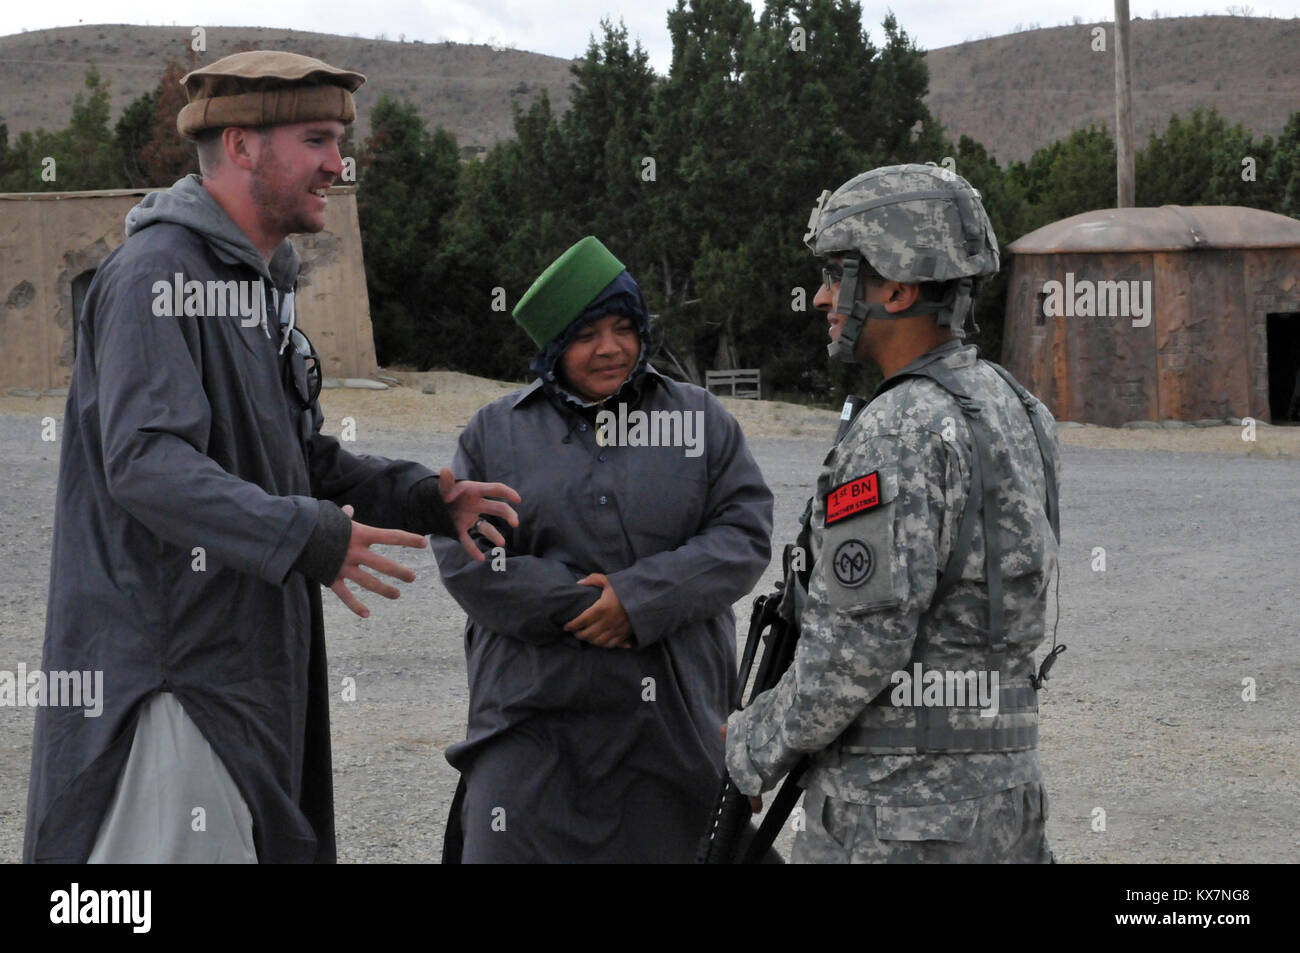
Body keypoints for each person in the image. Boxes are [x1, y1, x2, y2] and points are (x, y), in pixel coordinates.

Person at [23, 51, 520, 864]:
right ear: (242, 145)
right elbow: (147, 462)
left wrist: (429, 499)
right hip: (171, 683)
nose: (337, 163)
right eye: (317, 139)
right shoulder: (156, 275)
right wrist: (308, 537)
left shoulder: (254, 288)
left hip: (237, 676)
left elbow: (296, 461)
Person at [724, 164, 1062, 863]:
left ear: (897, 288)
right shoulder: (1016, 406)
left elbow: (857, 647)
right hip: (1005, 799)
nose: (821, 298)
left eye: (836, 275)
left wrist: (751, 745)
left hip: (901, 817)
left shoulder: (897, 431)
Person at [433, 236, 773, 863]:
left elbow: (742, 535)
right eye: (588, 333)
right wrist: (588, 605)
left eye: (625, 327)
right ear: (554, 345)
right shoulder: (494, 432)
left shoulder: (699, 420)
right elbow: (468, 556)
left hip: (674, 713)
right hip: (531, 713)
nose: (612, 348)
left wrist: (640, 600)